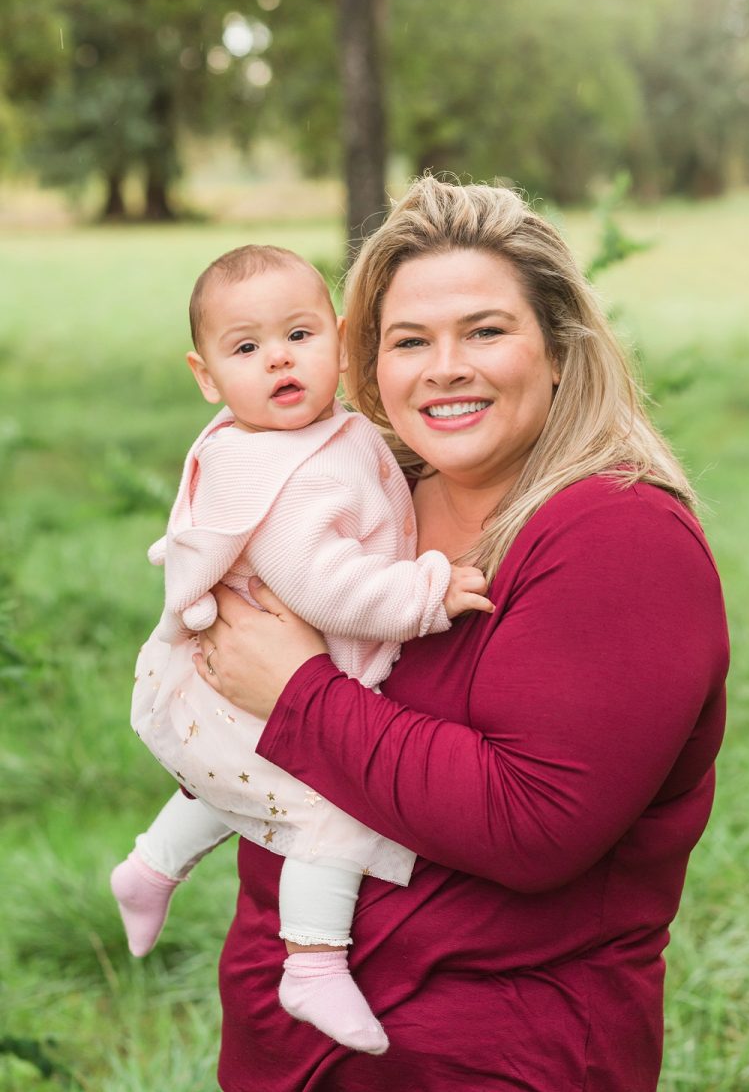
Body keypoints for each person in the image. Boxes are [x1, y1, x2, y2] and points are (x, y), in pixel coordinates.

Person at [186, 176, 728, 1092]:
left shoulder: (618, 535)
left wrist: (295, 693)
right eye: (409, 340)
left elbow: (535, 823)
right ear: (370, 364)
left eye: (485, 330)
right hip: (288, 1030)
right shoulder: (362, 507)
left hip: (493, 1047)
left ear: (559, 350)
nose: (445, 366)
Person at [111, 245, 494, 1055]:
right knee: (328, 802)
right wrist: (428, 591)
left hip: (237, 685)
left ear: (341, 339)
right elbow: (326, 586)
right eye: (246, 348)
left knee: (239, 783)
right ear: (207, 375)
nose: (278, 357)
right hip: (251, 680)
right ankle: (313, 960)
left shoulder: (313, 433)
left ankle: (148, 869)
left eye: (299, 333)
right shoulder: (279, 474)